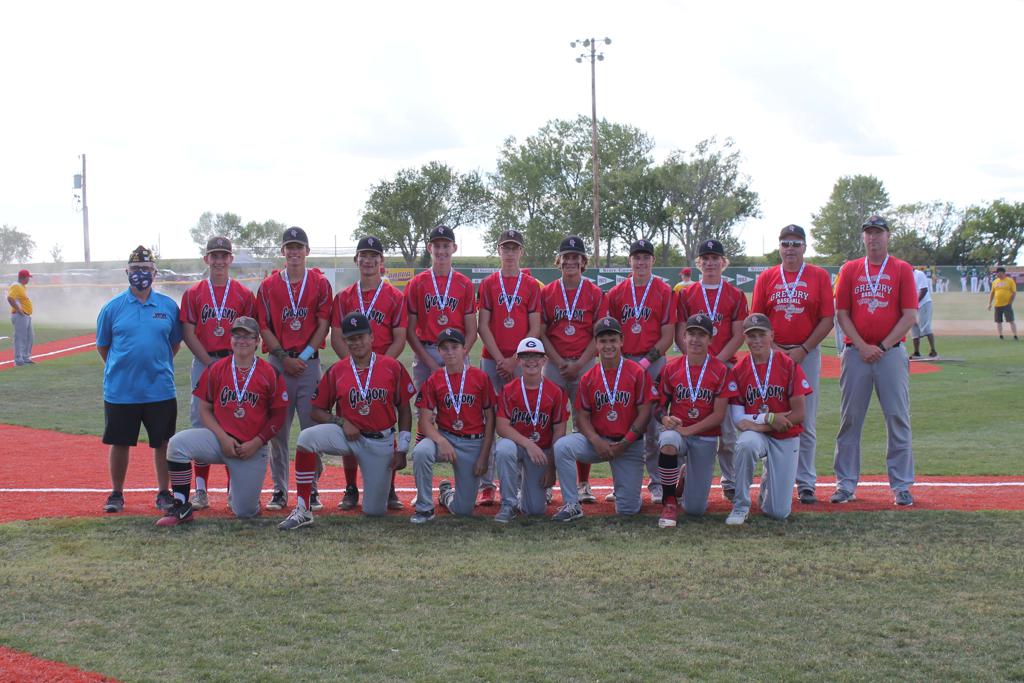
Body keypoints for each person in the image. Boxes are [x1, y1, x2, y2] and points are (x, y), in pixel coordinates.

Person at [279, 313, 415, 530]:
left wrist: (403, 448)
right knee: (306, 438)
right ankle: (303, 509)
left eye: (361, 337)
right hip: (348, 435)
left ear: (372, 337)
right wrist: (341, 422)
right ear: (345, 341)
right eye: (351, 339)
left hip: (380, 441)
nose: (356, 343)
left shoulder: (392, 366)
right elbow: (316, 411)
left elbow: (405, 410)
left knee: (374, 510)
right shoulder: (338, 370)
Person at [156, 317, 288, 526]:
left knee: (244, 512)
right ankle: (181, 506)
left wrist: (256, 443)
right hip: (219, 441)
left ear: (257, 341)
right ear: (230, 339)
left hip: (251, 447)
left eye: (248, 336)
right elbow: (204, 409)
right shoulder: (217, 369)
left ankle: (243, 493)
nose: (241, 340)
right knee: (177, 444)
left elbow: (278, 416)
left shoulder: (270, 373)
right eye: (237, 335)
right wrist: (223, 438)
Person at [833, 215, 919, 507]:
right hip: (856, 353)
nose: (873, 238)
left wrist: (881, 346)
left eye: (878, 232)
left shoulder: (901, 269)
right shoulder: (850, 269)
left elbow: (910, 315)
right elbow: (842, 313)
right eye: (868, 233)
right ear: (863, 237)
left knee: (897, 418)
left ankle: (902, 486)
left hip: (890, 353)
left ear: (887, 236)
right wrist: (862, 345)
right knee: (850, 420)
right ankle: (845, 484)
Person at [750, 225, 834, 505]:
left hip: (805, 353)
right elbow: (757, 319)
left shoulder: (818, 276)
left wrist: (804, 349)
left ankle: (806, 483)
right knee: (771, 415)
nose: (790, 248)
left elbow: (827, 319)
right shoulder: (767, 277)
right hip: (772, 354)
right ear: (779, 247)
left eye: (796, 244)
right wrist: (773, 349)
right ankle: (770, 480)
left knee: (805, 418)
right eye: (785, 243)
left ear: (804, 247)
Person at [96, 246, 183, 513]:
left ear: (155, 273)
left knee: (163, 443)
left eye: (146, 269)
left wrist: (155, 363)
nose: (140, 274)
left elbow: (174, 344)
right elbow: (103, 346)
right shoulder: (112, 308)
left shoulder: (168, 307)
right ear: (127, 272)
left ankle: (164, 493)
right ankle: (116, 494)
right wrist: (123, 366)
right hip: (122, 390)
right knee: (120, 442)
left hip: (160, 389)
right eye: (135, 269)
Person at [256, 227, 333, 512]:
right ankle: (279, 489)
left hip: (308, 364)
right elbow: (263, 326)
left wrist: (304, 356)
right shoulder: (268, 286)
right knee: (277, 430)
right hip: (279, 365)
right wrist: (283, 357)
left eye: (299, 247)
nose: (294, 252)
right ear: (283, 252)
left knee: (312, 429)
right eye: (289, 247)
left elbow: (323, 324)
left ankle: (311, 488)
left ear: (307, 251)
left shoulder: (320, 283)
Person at [329, 235, 408, 511]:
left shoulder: (395, 297)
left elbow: (400, 337)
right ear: (356, 260)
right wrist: (352, 370)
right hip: (351, 374)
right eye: (364, 255)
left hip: (383, 374)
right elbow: (336, 337)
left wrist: (380, 370)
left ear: (381, 261)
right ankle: (351, 486)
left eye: (374, 256)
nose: (369, 260)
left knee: (386, 428)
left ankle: (390, 487)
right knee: (350, 427)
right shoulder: (344, 297)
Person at [178, 236, 257, 510]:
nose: (219, 261)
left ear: (231, 259)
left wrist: (233, 363)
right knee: (201, 423)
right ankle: (200, 490)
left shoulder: (243, 294)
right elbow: (188, 332)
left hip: (236, 364)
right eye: (214, 256)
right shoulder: (194, 293)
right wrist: (209, 363)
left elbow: (250, 334)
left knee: (236, 421)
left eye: (224, 256)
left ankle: (233, 489)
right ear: (206, 259)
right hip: (205, 363)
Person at [551, 317, 656, 521]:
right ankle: (572, 505)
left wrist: (625, 443)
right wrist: (596, 440)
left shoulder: (636, 372)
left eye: (613, 340)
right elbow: (581, 417)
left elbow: (645, 413)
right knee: (563, 446)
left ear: (621, 341)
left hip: (628, 444)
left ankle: (627, 490)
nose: (608, 345)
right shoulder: (589, 377)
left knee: (627, 510)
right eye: (603, 341)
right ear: (596, 344)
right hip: (597, 442)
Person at [674, 238, 748, 502]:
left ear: (723, 262)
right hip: (692, 367)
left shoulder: (735, 295)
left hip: (724, 367)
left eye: (715, 258)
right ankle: (683, 473)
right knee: (689, 420)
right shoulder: (686, 294)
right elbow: (680, 333)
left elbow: (738, 334)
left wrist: (715, 363)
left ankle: (729, 479)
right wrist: (695, 360)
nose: (710, 263)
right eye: (705, 259)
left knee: (727, 432)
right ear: (699, 263)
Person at [724, 313, 812, 525]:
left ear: (772, 335)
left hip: (785, 436)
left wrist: (759, 425)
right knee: (746, 443)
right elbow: (738, 419)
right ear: (745, 338)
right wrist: (770, 418)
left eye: (761, 334)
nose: (756, 340)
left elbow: (799, 414)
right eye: (751, 336)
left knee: (778, 512)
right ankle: (740, 505)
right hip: (759, 434)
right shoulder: (739, 370)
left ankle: (767, 488)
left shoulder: (788, 365)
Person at [605, 238, 675, 504]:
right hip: (623, 363)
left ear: (653, 261)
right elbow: (610, 334)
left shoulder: (664, 291)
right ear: (630, 261)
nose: (641, 262)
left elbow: (667, 336)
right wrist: (623, 363)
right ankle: (621, 484)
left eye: (646, 257)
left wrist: (644, 363)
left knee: (655, 427)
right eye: (637, 257)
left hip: (652, 363)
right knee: (622, 424)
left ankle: (657, 483)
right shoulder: (616, 293)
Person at [539, 235, 607, 504]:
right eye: (565, 257)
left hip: (585, 363)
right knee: (548, 423)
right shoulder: (547, 292)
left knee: (584, 422)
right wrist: (558, 361)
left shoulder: (594, 292)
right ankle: (547, 482)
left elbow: (599, 335)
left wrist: (578, 364)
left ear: (583, 261)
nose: (570, 261)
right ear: (559, 261)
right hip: (554, 363)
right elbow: (542, 333)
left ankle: (583, 483)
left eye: (575, 257)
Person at [476, 229, 542, 506]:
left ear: (521, 252)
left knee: (522, 418)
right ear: (499, 251)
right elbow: (483, 325)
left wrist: (515, 358)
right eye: (506, 248)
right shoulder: (489, 283)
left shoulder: (531, 285)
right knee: (488, 419)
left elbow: (535, 327)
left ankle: (521, 481)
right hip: (492, 360)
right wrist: (500, 358)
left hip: (521, 361)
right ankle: (487, 484)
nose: (510, 252)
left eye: (515, 248)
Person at [655, 314, 734, 527]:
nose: (695, 339)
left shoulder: (720, 370)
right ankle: (669, 501)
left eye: (702, 335)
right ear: (684, 336)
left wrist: (690, 430)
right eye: (691, 334)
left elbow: (719, 415)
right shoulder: (671, 368)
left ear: (710, 339)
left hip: (705, 437)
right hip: (678, 434)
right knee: (668, 440)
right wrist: (664, 417)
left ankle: (684, 477)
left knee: (695, 509)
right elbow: (658, 406)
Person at [410, 328, 496, 522]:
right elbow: (424, 421)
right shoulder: (435, 379)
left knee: (463, 510)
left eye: (454, 347)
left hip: (472, 442)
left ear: (464, 349)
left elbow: (490, 419)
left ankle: (446, 494)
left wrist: (484, 456)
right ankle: (424, 508)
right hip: (446, 437)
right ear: (439, 351)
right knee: (421, 451)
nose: (450, 352)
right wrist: (441, 441)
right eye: (445, 348)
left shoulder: (480, 377)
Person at [493, 337, 569, 522]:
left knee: (535, 510)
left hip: (541, 452)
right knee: (503, 448)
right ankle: (508, 504)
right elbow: (501, 427)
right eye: (526, 356)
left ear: (544, 360)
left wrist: (551, 467)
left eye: (536, 356)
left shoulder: (556, 392)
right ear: (518, 360)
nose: (531, 361)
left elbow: (559, 433)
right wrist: (528, 444)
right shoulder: (509, 389)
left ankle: (523, 496)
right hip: (519, 445)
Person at [405, 225, 477, 390]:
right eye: (437, 246)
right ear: (429, 248)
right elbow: (410, 331)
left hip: (457, 350)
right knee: (425, 404)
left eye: (446, 246)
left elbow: (472, 331)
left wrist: (458, 356)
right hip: (426, 351)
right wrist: (430, 363)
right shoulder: (416, 283)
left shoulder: (465, 284)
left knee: (459, 402)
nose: (441, 251)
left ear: (454, 248)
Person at [7, 269, 34, 366]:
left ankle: (25, 358)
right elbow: (10, 298)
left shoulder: (22, 286)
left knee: (29, 337)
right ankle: (18, 360)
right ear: (24, 277)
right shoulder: (16, 286)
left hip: (26, 315)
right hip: (20, 316)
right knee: (20, 338)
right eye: (28, 277)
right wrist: (18, 309)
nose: (29, 279)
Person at [910, 266, 937, 358]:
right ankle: (916, 352)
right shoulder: (905, 276)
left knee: (925, 327)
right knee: (914, 327)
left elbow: (924, 290)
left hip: (924, 303)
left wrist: (915, 303)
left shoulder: (919, 274)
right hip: (912, 305)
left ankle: (933, 351)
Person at [989, 266, 1018, 340]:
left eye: (998, 272)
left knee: (1011, 320)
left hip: (1006, 304)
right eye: (996, 273)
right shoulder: (995, 282)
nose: (997, 274)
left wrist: (1010, 302)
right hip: (997, 304)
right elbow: (992, 293)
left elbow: (1014, 292)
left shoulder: (1010, 281)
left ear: (1002, 272)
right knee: (998, 321)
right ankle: (1000, 335)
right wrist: (990, 303)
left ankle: (1015, 335)